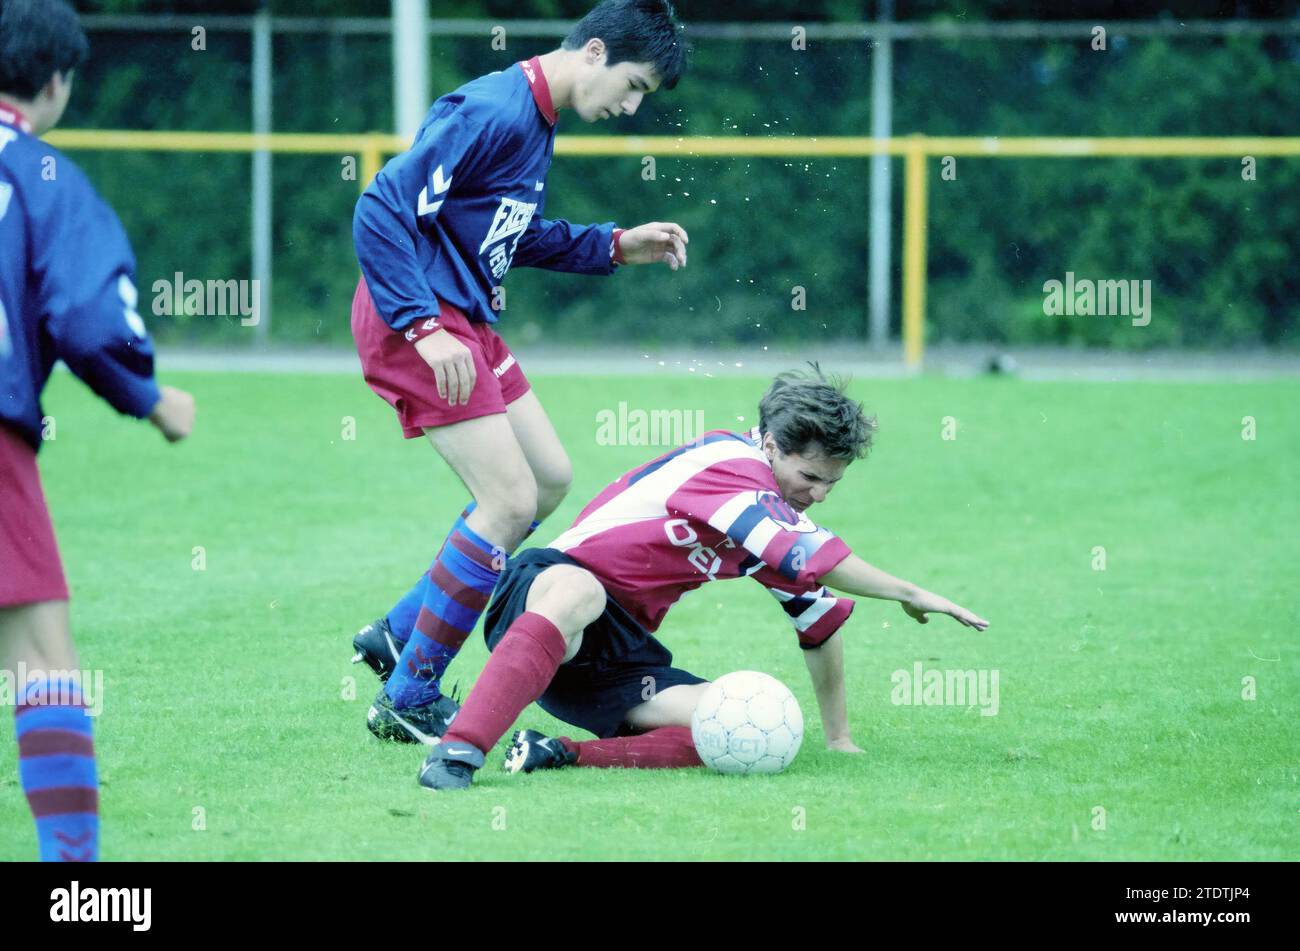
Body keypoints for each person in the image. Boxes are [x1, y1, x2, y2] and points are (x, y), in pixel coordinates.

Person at [349, 0, 692, 745]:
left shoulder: (537, 122)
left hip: (463, 315)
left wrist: (611, 244)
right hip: (420, 313)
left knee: (547, 478)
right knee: (505, 501)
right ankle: (409, 692)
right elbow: (381, 205)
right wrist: (421, 325)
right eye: (632, 86)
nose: (630, 106)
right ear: (595, 52)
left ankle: (397, 633)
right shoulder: (494, 109)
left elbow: (509, 234)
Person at [416, 367, 989, 790]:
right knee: (582, 590)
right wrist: (909, 591)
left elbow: (818, 622)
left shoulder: (776, 523)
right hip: (542, 596)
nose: (817, 494)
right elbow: (803, 555)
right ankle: (457, 753)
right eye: (809, 476)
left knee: (752, 724)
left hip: (612, 662)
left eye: (830, 485)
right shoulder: (728, 464)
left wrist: (837, 737)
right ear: (769, 445)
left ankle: (556, 754)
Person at [0, 0, 196, 860]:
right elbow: (86, 316)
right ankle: (71, 887)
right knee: (42, 662)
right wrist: (149, 396)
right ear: (55, 83)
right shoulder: (36, 175)